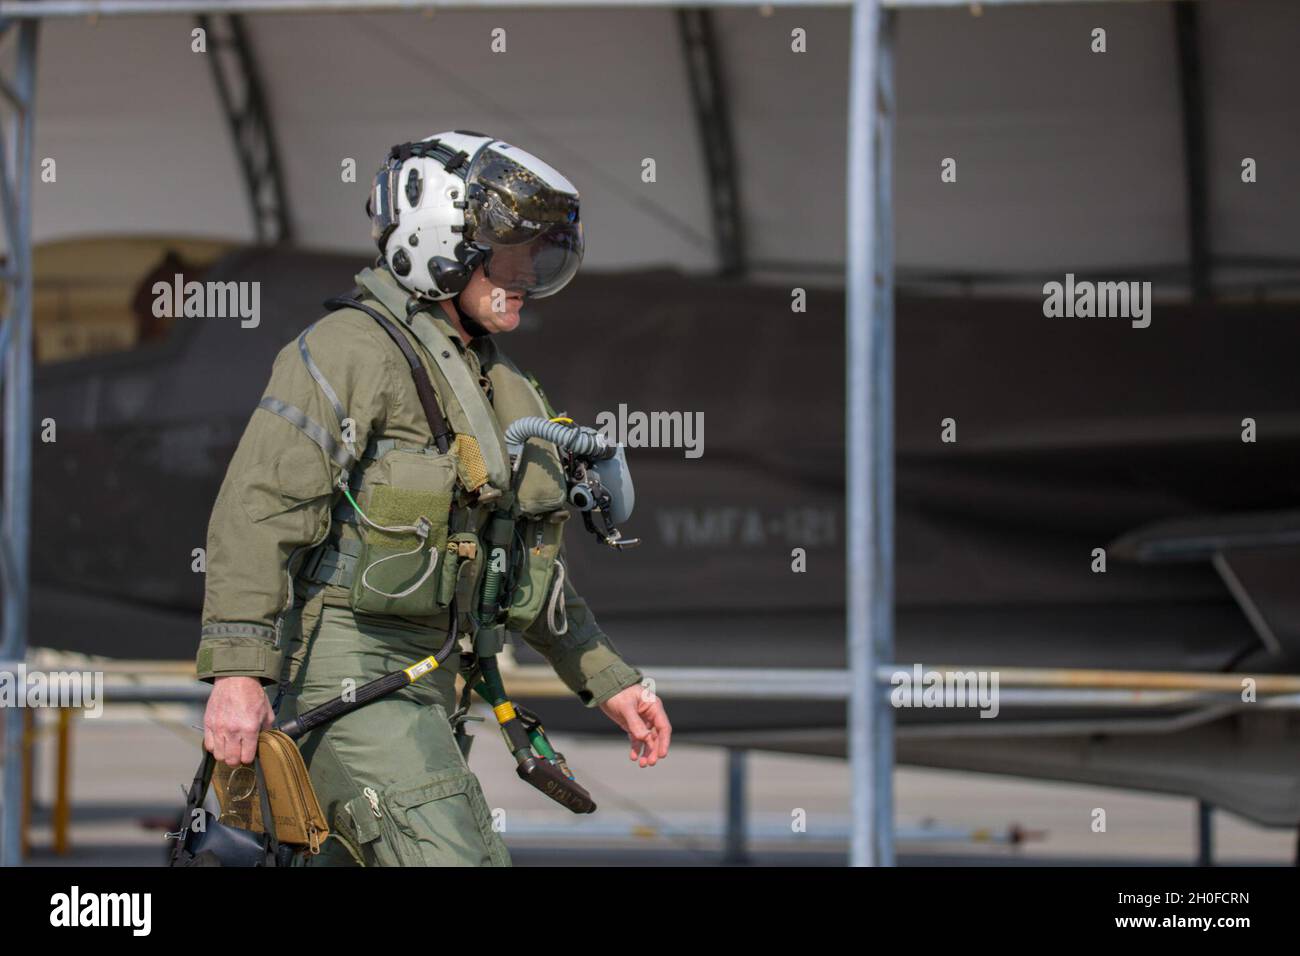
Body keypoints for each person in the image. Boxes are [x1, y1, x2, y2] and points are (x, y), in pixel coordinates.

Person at [196, 131, 671, 866]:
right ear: (438, 243)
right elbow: (258, 511)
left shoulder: (502, 384)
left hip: (431, 689)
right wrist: (237, 674)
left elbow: (527, 569)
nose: (525, 275)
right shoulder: (349, 350)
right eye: (507, 256)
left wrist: (608, 679)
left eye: (534, 256)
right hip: (349, 680)